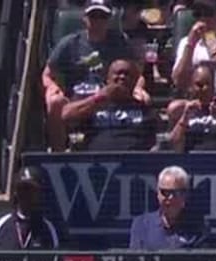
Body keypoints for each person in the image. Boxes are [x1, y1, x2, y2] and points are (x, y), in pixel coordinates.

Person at [41, 0, 143, 151]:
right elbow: (47, 74)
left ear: (109, 20)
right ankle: (58, 153)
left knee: (143, 100)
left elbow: (136, 71)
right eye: (93, 16)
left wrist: (139, 88)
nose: (98, 21)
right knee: (55, 102)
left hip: (111, 97)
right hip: (78, 99)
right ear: (85, 18)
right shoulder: (69, 43)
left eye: (102, 17)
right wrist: (52, 87)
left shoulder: (120, 42)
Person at [62, 57, 157, 152]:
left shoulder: (143, 109)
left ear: (134, 81)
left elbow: (154, 139)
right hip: (97, 158)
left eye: (127, 74)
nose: (122, 77)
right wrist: (99, 98)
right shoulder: (94, 106)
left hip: (133, 158)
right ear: (107, 79)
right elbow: (66, 115)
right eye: (118, 73)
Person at [0, 166, 63, 249]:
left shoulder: (47, 229)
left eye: (31, 189)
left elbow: (56, 256)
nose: (25, 193)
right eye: (21, 188)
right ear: (15, 191)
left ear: (39, 193)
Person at [129, 165, 207, 250]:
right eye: (165, 192)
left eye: (176, 193)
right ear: (158, 194)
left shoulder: (199, 227)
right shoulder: (141, 225)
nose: (170, 198)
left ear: (185, 195)